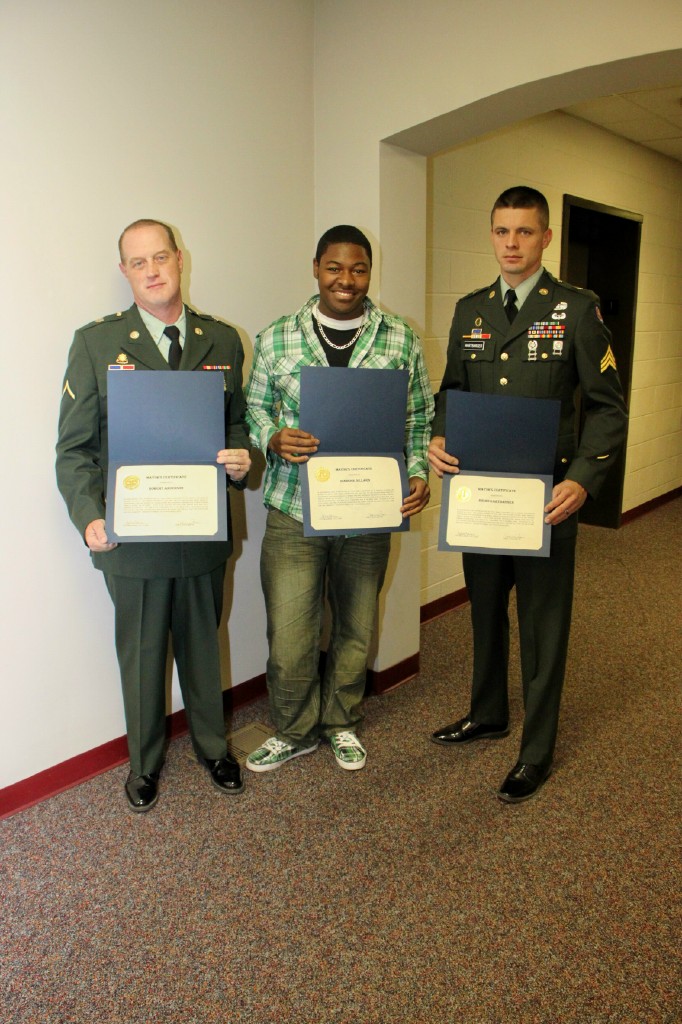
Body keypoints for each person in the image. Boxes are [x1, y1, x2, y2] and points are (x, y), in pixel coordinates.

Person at [429, 186, 627, 803]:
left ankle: (535, 751)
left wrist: (583, 480)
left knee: (542, 628)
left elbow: (606, 408)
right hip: (481, 497)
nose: (511, 243)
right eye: (501, 231)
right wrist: (437, 436)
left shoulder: (576, 307)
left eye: (524, 232)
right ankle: (487, 712)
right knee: (484, 612)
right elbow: (450, 392)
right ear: (491, 235)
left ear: (545, 238)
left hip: (547, 500)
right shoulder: (470, 309)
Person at [56, 219, 251, 812]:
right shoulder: (95, 344)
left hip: (201, 530)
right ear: (125, 272)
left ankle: (215, 747)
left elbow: (237, 422)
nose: (152, 270)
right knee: (142, 656)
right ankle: (144, 764)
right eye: (138, 262)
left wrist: (245, 458)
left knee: (202, 644)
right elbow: (74, 448)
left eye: (160, 257)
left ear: (179, 258)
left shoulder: (221, 340)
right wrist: (88, 515)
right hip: (132, 539)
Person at [245, 225, 434, 773]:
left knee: (355, 624)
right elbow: (256, 408)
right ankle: (294, 729)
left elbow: (419, 416)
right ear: (315, 268)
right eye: (334, 268)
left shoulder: (400, 338)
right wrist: (272, 438)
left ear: (369, 273)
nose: (345, 281)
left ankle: (341, 721)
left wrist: (418, 472)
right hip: (292, 508)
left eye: (358, 269)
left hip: (370, 510)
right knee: (291, 630)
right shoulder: (278, 335)